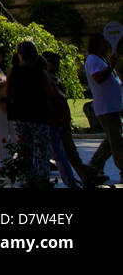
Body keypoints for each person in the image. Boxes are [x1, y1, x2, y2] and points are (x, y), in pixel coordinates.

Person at [43, 50, 93, 188]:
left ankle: (85, 177)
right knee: (59, 154)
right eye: (52, 61)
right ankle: (71, 181)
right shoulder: (45, 78)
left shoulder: (54, 77)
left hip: (62, 122)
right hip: (53, 122)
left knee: (71, 154)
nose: (56, 64)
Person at [6, 40, 53, 185]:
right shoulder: (40, 72)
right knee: (42, 148)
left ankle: (27, 177)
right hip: (39, 113)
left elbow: (8, 93)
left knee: (25, 148)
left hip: (20, 114)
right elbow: (48, 92)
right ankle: (43, 178)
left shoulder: (13, 71)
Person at [84, 32, 123, 183]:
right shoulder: (93, 60)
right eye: (103, 43)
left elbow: (111, 80)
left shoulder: (102, 60)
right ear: (96, 45)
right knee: (117, 142)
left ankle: (94, 167)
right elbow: (98, 78)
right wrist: (111, 66)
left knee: (110, 141)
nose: (106, 45)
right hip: (106, 107)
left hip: (113, 106)